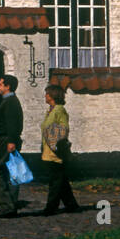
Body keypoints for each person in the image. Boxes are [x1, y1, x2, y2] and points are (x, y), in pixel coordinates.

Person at [39, 83, 81, 215]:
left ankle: (51, 207)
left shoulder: (59, 110)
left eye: (47, 93)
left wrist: (54, 139)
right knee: (61, 180)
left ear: (52, 96)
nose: (45, 96)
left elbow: (64, 129)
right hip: (48, 151)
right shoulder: (50, 110)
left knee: (55, 181)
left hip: (56, 152)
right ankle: (71, 205)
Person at [0, 74, 23, 218]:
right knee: (11, 172)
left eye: (0, 84)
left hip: (5, 142)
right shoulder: (9, 101)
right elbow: (7, 122)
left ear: (7, 87)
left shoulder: (11, 102)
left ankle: (6, 205)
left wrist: (11, 141)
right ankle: (10, 205)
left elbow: (13, 123)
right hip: (4, 138)